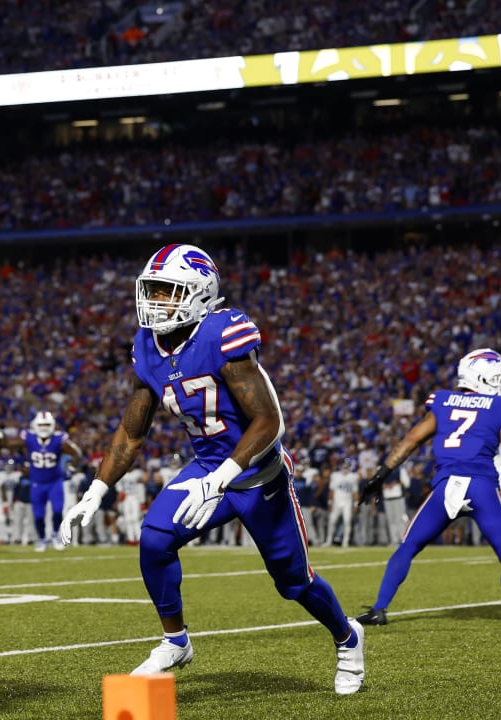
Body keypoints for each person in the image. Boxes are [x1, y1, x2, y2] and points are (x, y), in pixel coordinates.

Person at [59, 244, 365, 695]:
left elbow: (267, 420)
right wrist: (96, 490)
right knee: (155, 538)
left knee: (294, 583)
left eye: (169, 291)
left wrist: (220, 480)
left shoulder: (224, 332)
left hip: (257, 473)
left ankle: (347, 636)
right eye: (154, 290)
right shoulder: (148, 345)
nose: (157, 300)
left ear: (201, 293)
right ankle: (176, 640)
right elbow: (132, 431)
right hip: (203, 467)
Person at [353, 349, 501, 629]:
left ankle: (379, 609)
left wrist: (380, 476)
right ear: (482, 377)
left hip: (445, 487)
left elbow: (410, 441)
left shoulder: (443, 401)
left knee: (408, 547)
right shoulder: (500, 407)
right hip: (481, 487)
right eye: (500, 378)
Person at [0, 411, 83, 551]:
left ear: (52, 425)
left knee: (58, 510)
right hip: (37, 482)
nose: (44, 428)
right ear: (35, 425)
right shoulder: (29, 438)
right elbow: (9, 444)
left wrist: (71, 466)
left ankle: (56, 534)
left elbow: (76, 453)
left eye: (47, 424)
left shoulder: (59, 439)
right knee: (38, 515)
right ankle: (41, 539)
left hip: (55, 481)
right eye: (41, 425)